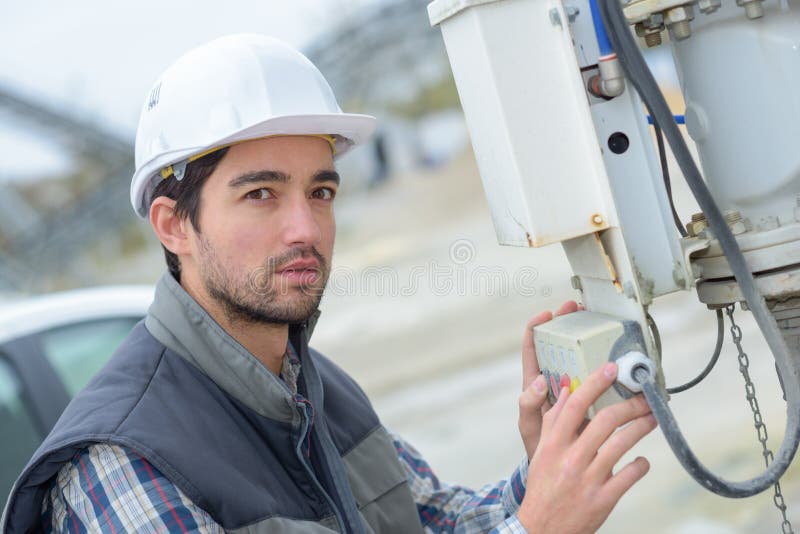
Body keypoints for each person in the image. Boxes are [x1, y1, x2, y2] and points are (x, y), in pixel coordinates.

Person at [1, 35, 655, 533]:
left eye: (321, 191)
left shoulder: (313, 387)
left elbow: (433, 521)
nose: (304, 228)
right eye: (260, 194)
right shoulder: (125, 465)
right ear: (174, 226)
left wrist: (541, 477)